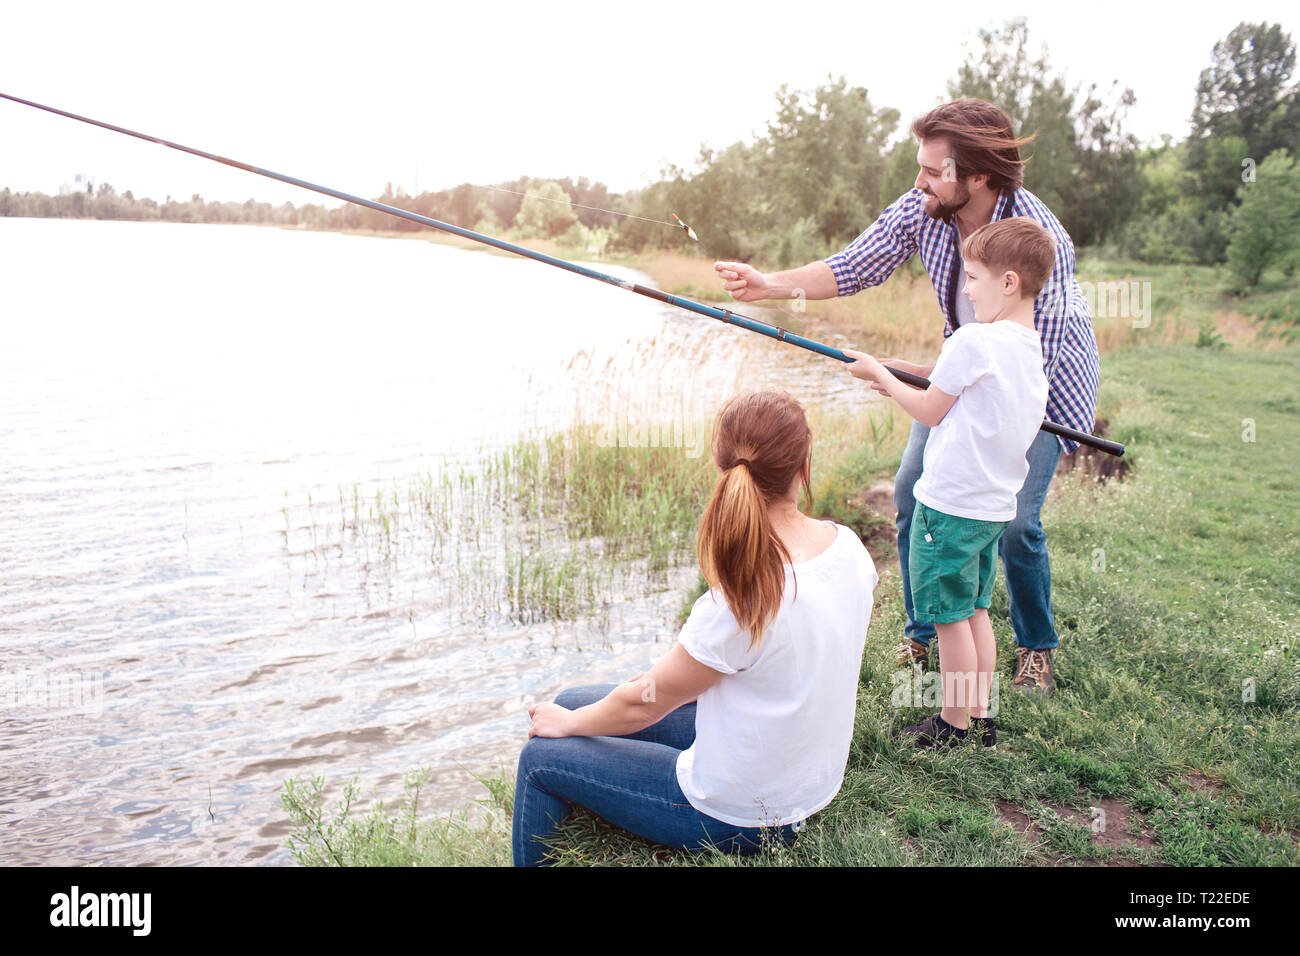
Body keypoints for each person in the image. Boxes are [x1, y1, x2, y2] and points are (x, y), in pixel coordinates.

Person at [714, 99, 1099, 695]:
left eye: (932, 170)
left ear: (977, 177)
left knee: (1017, 521)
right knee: (913, 492)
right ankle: (924, 632)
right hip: (959, 367)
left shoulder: (1041, 238)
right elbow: (854, 266)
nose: (918, 181)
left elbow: (1024, 364)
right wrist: (771, 286)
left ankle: (1036, 650)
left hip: (1039, 388)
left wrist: (906, 374)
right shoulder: (922, 210)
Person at [512, 390, 877, 866]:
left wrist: (569, 728)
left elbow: (649, 702)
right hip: (808, 779)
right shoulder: (849, 550)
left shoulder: (745, 598)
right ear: (804, 467)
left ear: (725, 472)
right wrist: (574, 717)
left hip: (743, 815)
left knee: (540, 758)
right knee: (569, 703)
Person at [843, 217, 1052, 746]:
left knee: (948, 619)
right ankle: (980, 716)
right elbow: (960, 393)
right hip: (991, 509)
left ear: (1008, 282)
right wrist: (904, 372)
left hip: (950, 507)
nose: (966, 289)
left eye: (974, 277)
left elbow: (930, 411)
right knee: (975, 610)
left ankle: (952, 725)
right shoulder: (1031, 351)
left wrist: (880, 377)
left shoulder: (974, 340)